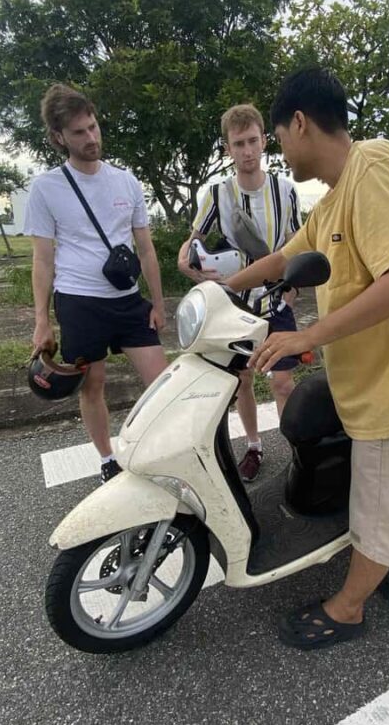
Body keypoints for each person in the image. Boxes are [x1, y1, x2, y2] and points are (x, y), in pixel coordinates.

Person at [225, 68, 389, 649]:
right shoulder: (336, 197)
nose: (276, 148)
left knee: (383, 511)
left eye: (277, 134)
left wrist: (306, 337)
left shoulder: (375, 164)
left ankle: (348, 608)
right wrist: (219, 291)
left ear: (300, 122)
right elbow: (286, 257)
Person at [25, 84, 168, 485]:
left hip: (127, 301)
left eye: (92, 127)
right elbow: (42, 257)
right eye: (78, 133)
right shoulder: (46, 188)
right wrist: (41, 320)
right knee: (93, 385)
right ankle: (107, 459)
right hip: (78, 303)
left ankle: (153, 448)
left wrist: (158, 304)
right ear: (58, 137)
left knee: (163, 382)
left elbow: (146, 249)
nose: (91, 138)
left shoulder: (126, 181)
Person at [177, 104, 302, 482]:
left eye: (252, 141)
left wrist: (294, 287)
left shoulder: (285, 190)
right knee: (243, 380)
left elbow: (298, 241)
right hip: (236, 305)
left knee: (282, 381)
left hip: (278, 298)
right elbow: (192, 243)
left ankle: (298, 451)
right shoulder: (218, 194)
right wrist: (187, 263)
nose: (247, 151)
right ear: (227, 148)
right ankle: (253, 445)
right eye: (238, 144)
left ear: (264, 140)